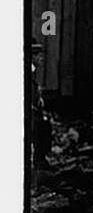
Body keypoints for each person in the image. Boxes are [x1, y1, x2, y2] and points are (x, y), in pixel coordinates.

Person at [29, 39, 52, 167]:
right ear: (32, 56)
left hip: (34, 110)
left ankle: (39, 159)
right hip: (32, 113)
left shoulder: (31, 71)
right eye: (39, 55)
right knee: (40, 130)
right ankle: (38, 161)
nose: (42, 58)